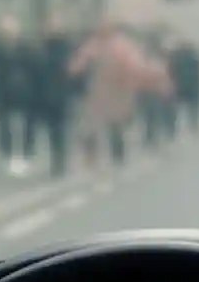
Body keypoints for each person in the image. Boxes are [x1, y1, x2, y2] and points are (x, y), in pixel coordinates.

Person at [69, 19, 144, 169]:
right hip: (100, 91)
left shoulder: (119, 45)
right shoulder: (97, 45)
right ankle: (97, 156)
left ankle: (115, 156)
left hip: (113, 91)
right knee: (92, 126)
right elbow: (77, 66)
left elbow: (135, 66)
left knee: (112, 125)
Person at [0, 15, 40, 177]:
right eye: (5, 31)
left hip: (26, 91)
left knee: (28, 124)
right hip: (4, 91)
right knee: (5, 124)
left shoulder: (27, 48)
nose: (8, 34)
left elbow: (35, 68)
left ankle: (27, 154)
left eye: (11, 30)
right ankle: (8, 154)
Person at [35, 15, 76, 177]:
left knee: (59, 129)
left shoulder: (66, 47)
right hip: (47, 94)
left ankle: (59, 161)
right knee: (52, 130)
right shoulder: (43, 47)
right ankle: (57, 159)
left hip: (61, 94)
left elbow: (70, 70)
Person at [168, 37, 199, 134]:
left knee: (179, 109)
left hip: (182, 85)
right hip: (189, 86)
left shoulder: (176, 57)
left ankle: (176, 128)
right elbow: (197, 72)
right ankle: (193, 127)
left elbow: (171, 71)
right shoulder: (193, 56)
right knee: (191, 109)